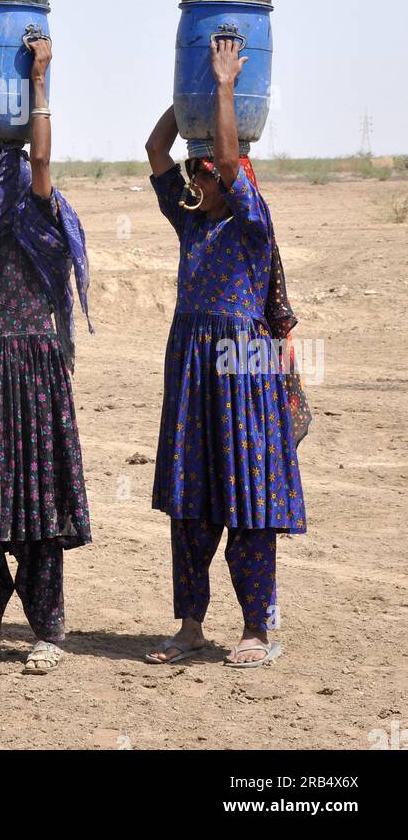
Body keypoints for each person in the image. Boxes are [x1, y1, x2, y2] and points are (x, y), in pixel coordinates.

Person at [144, 37, 306, 668]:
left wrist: (223, 89)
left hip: (243, 367)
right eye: (194, 175)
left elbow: (234, 163)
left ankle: (258, 630)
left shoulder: (250, 216)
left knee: (248, 497)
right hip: (192, 366)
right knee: (190, 500)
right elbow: (156, 150)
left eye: (201, 174)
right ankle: (190, 626)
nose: (191, 182)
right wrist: (186, 100)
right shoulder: (191, 221)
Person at [0, 36, 93, 674]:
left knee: (36, 510)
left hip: (32, 372)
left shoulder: (36, 210)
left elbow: (42, 157)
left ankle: (49, 634)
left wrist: (39, 78)